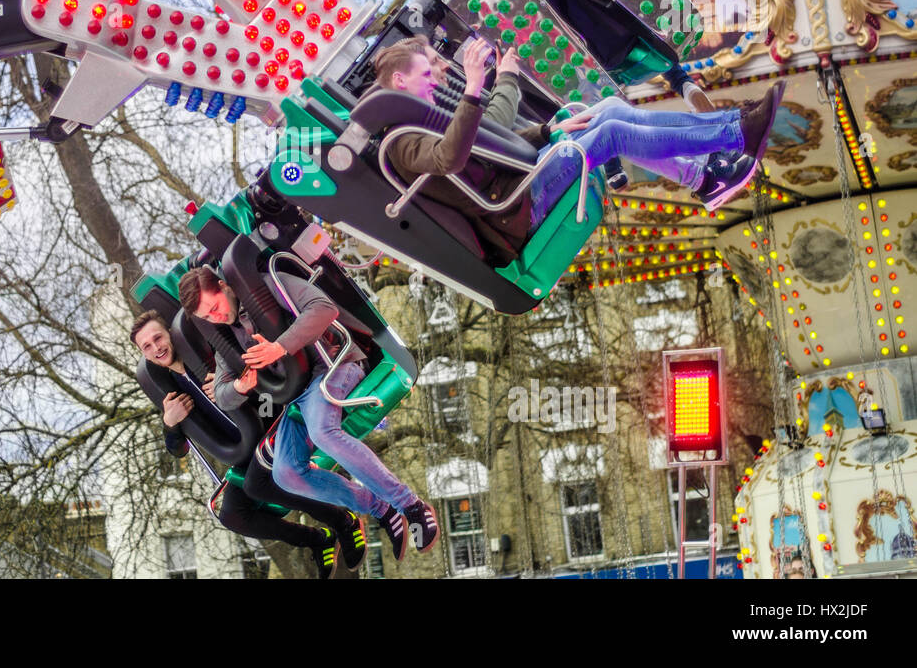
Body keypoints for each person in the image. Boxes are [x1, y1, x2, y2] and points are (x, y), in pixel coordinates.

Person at [372, 38, 781, 263]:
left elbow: (491, 146)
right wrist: (478, 86)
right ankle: (734, 134)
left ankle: (709, 173)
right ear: (399, 80)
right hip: (517, 207)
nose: (433, 81)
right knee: (612, 133)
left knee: (608, 111)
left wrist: (550, 129)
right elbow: (452, 158)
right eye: (426, 74)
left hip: (522, 180)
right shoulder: (401, 140)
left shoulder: (416, 118)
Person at [178, 267, 439, 562]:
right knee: (285, 474)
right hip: (297, 396)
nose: (216, 317)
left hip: (333, 365)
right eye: (207, 317)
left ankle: (411, 505)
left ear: (224, 286)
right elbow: (223, 394)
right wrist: (240, 385)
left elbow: (324, 309)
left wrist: (280, 347)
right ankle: (381, 508)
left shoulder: (266, 284)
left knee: (322, 432)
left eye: (215, 307)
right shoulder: (227, 335)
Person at [130, 310, 354, 578]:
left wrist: (232, 386)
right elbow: (178, 450)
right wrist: (170, 423)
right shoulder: (170, 389)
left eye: (158, 338)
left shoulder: (207, 355)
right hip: (245, 452)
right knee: (232, 515)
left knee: (257, 484)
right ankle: (319, 539)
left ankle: (342, 520)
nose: (156, 348)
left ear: (171, 334)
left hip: (272, 424)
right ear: (143, 354)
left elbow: (263, 376)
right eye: (147, 346)